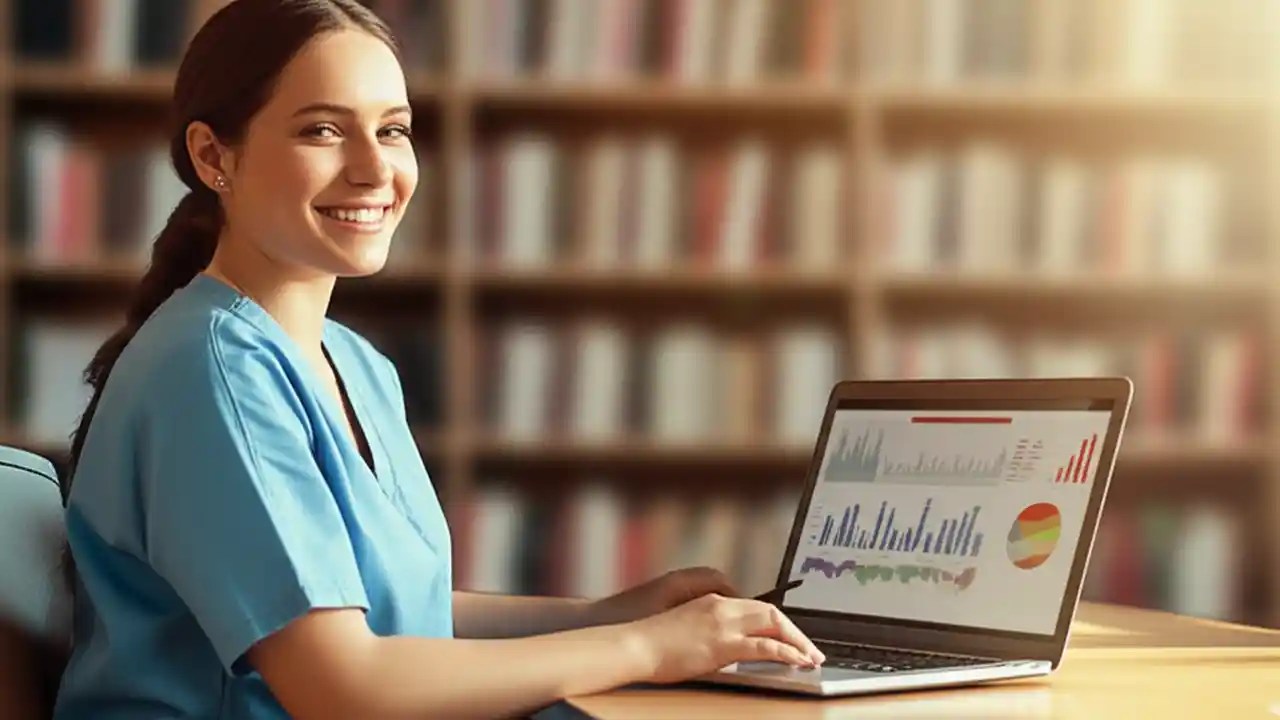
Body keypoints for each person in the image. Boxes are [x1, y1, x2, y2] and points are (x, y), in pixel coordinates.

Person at [52, 1, 824, 718]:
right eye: (322, 130)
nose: (373, 169)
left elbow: (391, 612)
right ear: (213, 155)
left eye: (392, 130)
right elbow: (340, 684)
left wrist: (605, 616)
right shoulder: (211, 370)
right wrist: (646, 649)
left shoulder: (352, 363)